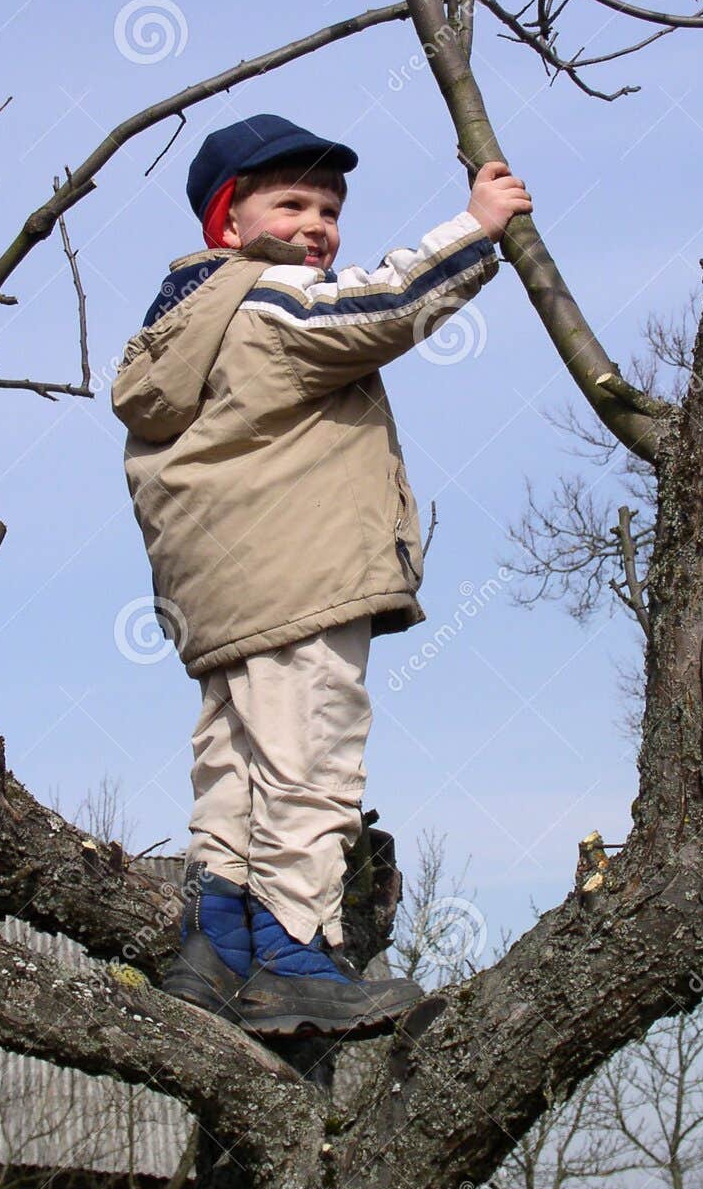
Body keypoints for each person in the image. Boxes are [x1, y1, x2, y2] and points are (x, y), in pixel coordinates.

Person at [112, 113, 532, 1037]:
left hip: (225, 597)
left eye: (331, 208)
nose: (318, 226)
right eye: (291, 203)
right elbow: (380, 309)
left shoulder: (181, 328)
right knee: (312, 761)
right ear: (226, 224)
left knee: (236, 766)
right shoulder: (265, 304)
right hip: (297, 580)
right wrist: (474, 229)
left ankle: (216, 949)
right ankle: (297, 955)